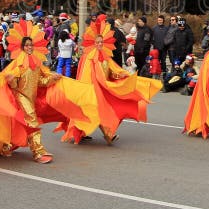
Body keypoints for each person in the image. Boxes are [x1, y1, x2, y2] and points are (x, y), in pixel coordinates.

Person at [0, 21, 93, 163]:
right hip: (20, 97)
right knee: (32, 122)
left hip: (32, 98)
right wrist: (11, 80)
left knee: (18, 123)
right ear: (22, 47)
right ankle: (38, 152)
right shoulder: (18, 63)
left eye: (31, 45)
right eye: (27, 45)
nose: (29, 47)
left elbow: (40, 81)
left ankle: (6, 146)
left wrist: (52, 79)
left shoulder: (36, 63)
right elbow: (14, 85)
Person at [63, 16, 162, 144]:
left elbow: (113, 70)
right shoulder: (89, 57)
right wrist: (97, 87)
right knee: (93, 112)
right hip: (91, 90)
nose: (100, 44)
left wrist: (124, 76)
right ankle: (105, 135)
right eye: (97, 42)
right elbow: (87, 76)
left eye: (101, 42)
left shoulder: (105, 55)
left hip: (102, 89)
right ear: (93, 43)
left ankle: (96, 134)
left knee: (97, 113)